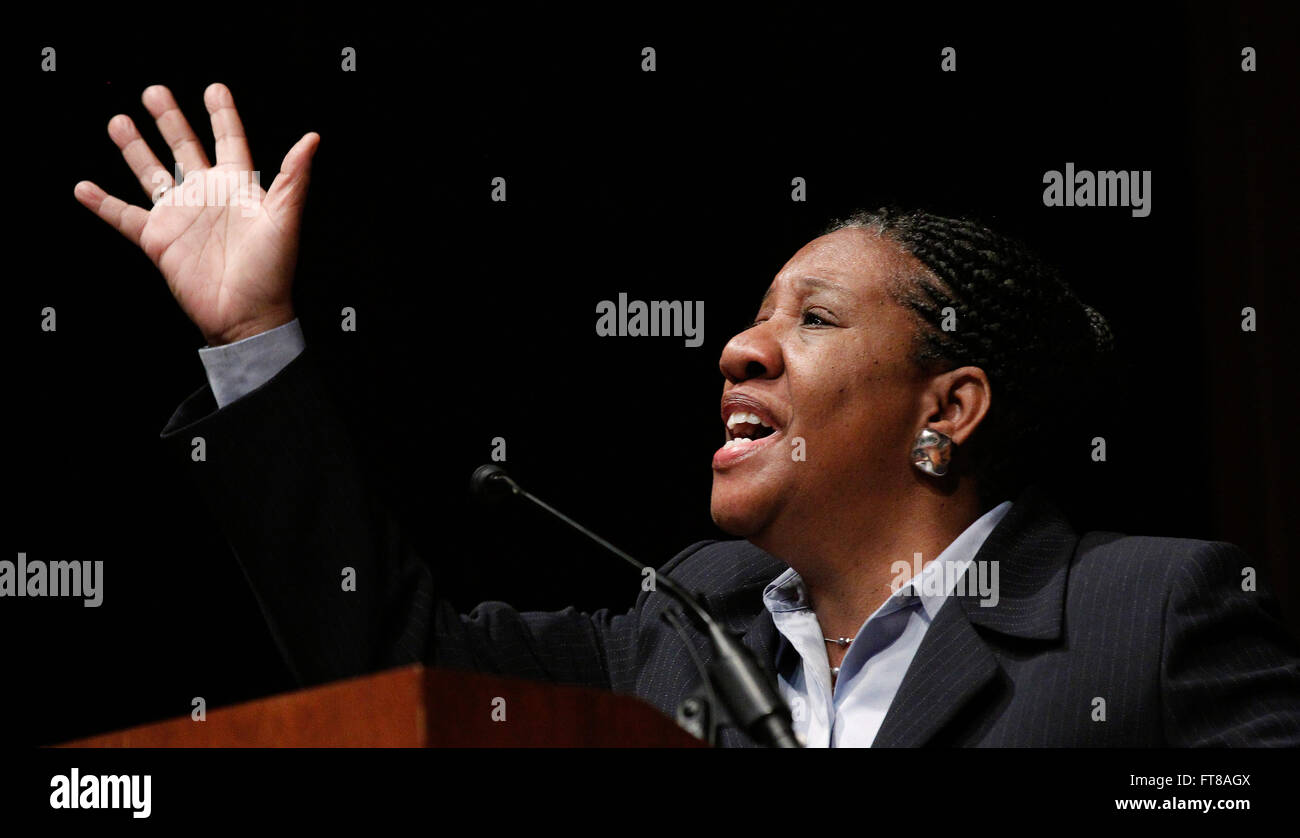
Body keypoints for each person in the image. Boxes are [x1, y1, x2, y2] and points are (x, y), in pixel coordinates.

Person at [76, 84, 1300, 747]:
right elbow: (389, 668)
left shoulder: (1151, 619)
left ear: (951, 405)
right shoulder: (673, 626)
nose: (738, 347)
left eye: (812, 321)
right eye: (753, 316)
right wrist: (251, 341)